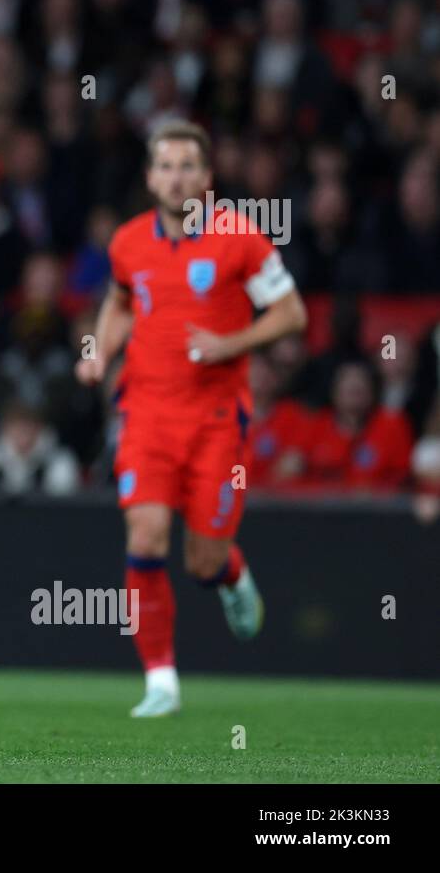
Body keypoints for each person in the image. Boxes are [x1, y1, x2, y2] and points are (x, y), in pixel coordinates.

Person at [75, 120, 307, 717]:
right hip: (146, 412)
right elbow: (123, 300)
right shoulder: (128, 242)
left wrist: (231, 344)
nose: (176, 177)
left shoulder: (241, 239)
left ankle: (232, 576)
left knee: (202, 560)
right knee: (146, 537)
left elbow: (291, 314)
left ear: (206, 178)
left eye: (188, 167)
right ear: (150, 177)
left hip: (216, 421)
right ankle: (160, 680)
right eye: (165, 166)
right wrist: (99, 351)